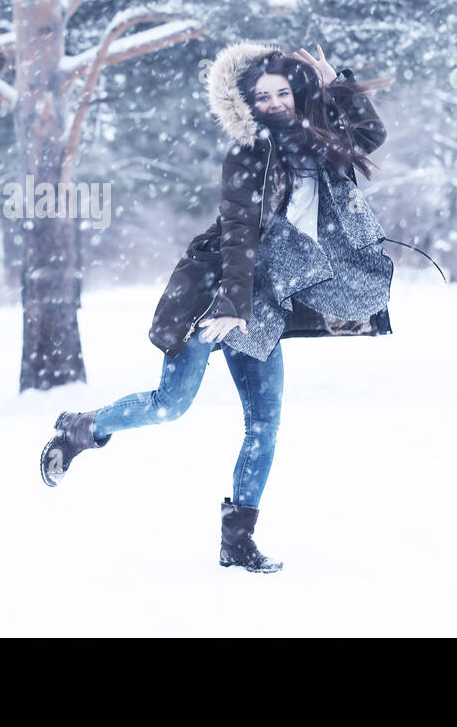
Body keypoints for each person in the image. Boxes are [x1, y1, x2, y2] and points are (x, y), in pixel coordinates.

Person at [39, 41, 395, 574]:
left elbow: (371, 135)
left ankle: (238, 541)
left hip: (263, 303)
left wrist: (335, 82)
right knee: (171, 404)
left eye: (283, 92)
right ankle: (81, 429)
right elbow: (238, 236)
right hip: (218, 295)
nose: (275, 102)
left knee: (263, 426)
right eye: (263, 95)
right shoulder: (247, 157)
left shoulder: (322, 145)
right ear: (247, 104)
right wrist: (231, 306)